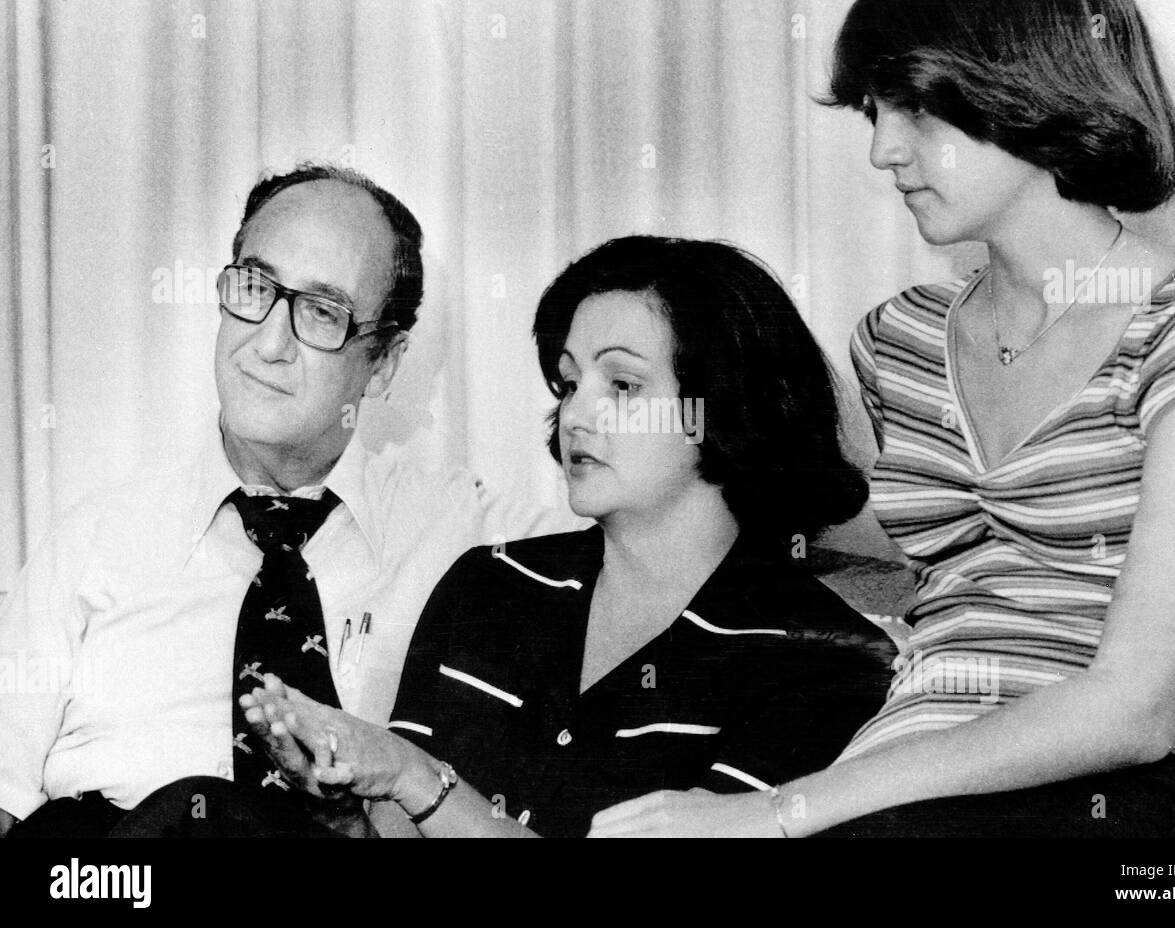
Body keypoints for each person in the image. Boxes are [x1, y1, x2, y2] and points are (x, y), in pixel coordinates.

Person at [587, 0, 1175, 837]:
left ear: (1028, 85)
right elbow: (827, 537)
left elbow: (1136, 709)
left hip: (1126, 788)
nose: (884, 150)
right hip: (898, 775)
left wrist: (783, 807)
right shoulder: (901, 339)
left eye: (914, 107)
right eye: (874, 114)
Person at [241, 235, 896, 837]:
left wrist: (412, 775)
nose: (576, 412)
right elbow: (403, 828)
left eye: (623, 385)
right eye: (570, 382)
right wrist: (344, 791)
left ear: (723, 404)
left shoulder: (825, 657)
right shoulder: (490, 583)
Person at [0, 164, 576, 838]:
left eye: (322, 312)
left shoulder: (472, 536)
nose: (267, 344)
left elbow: (680, 560)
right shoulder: (95, 540)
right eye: (254, 287)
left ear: (384, 362)